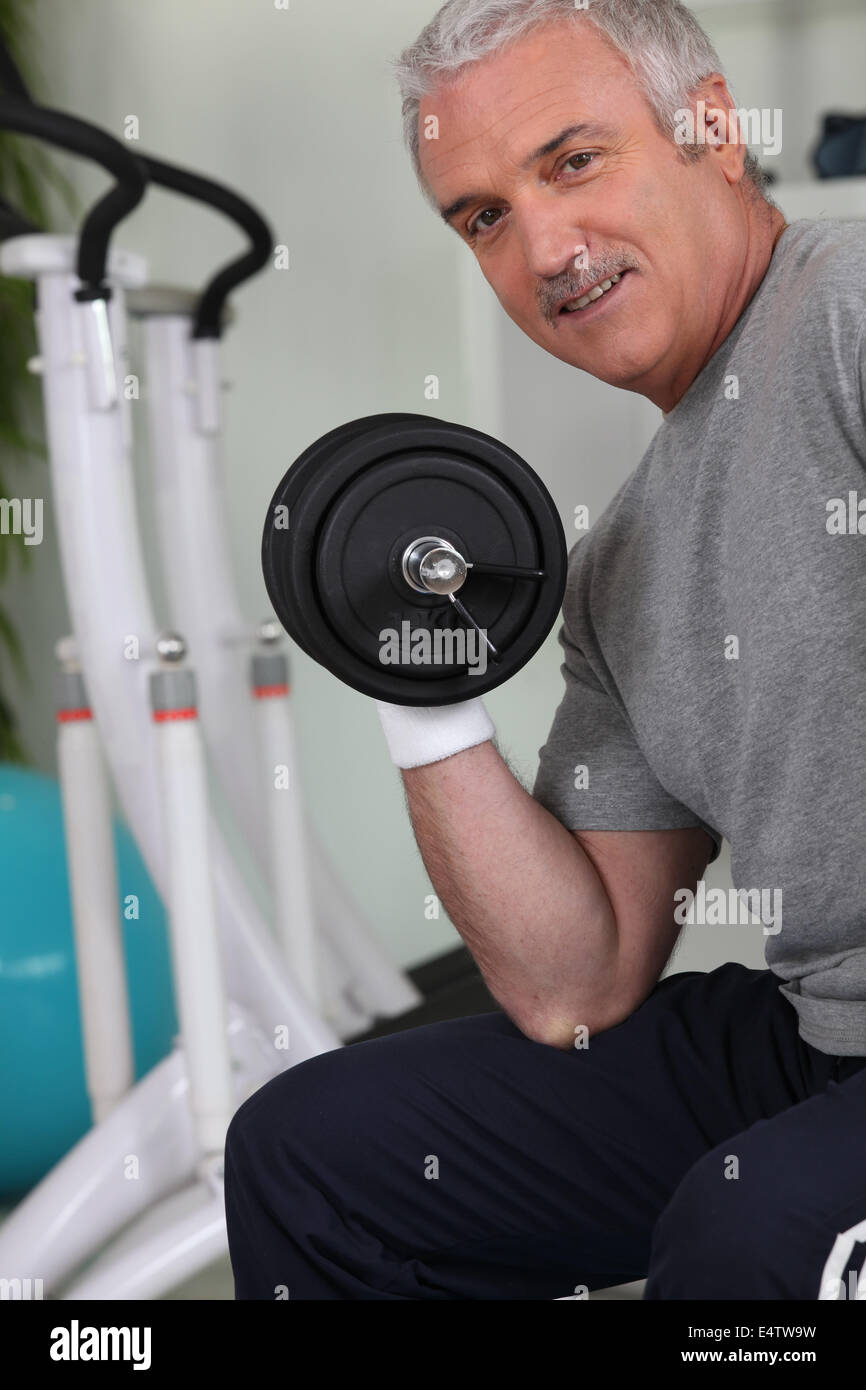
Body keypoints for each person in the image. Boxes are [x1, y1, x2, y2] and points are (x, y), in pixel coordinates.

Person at [224, 0, 866, 1300]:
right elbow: (573, 983)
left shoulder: (849, 310)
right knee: (315, 1155)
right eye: (483, 217)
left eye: (573, 161)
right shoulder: (620, 563)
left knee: (751, 1237)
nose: (546, 250)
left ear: (711, 129)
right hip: (829, 1037)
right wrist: (414, 681)